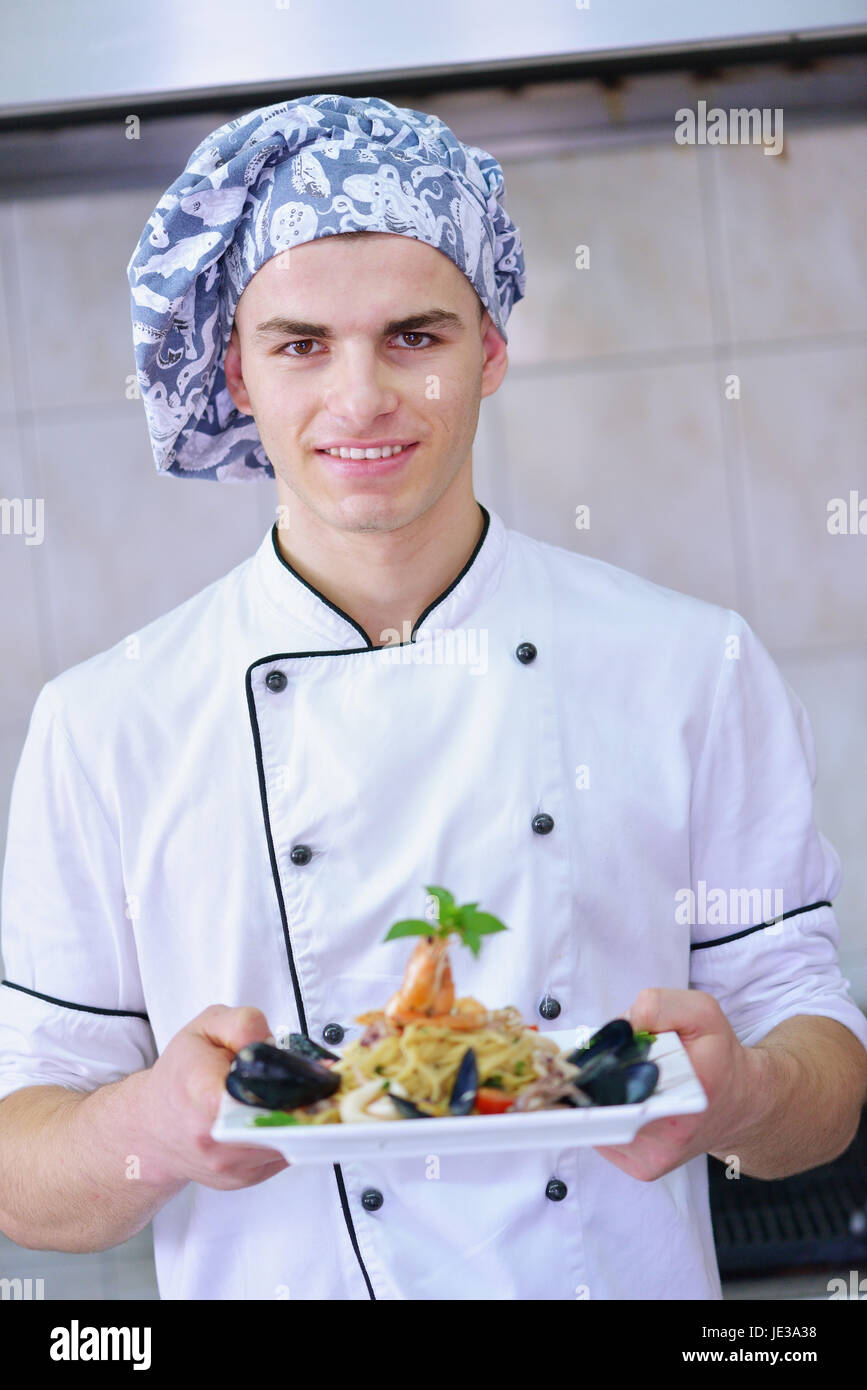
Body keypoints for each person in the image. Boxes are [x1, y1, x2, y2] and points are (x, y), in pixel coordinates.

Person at [0, 93, 865, 1302]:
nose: (361, 398)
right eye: (301, 343)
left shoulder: (689, 666)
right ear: (237, 372)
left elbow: (815, 1057)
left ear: (492, 350)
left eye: (416, 336)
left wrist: (755, 1093)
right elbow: (23, 1170)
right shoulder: (106, 725)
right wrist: (155, 1123)